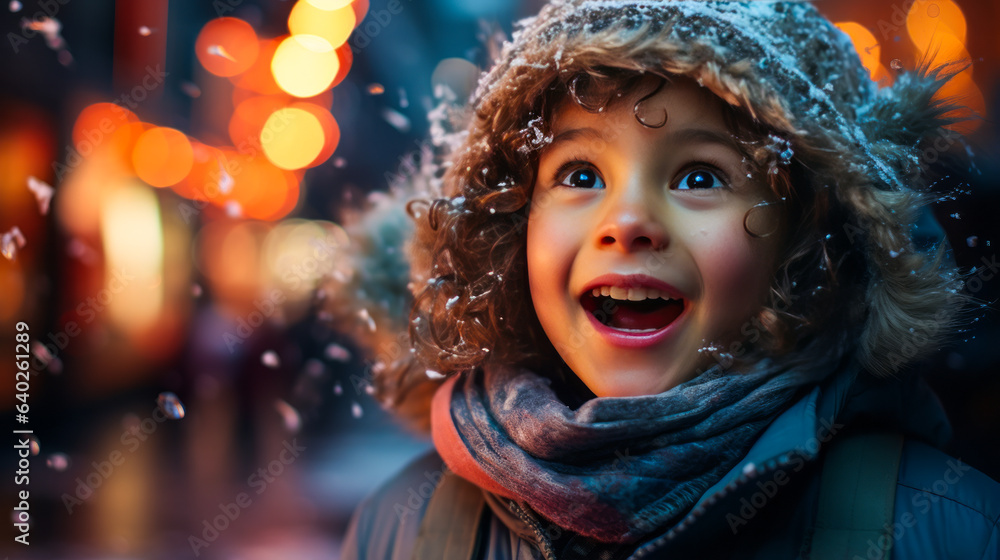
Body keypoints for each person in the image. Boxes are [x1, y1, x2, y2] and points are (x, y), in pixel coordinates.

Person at [336, 1, 1000, 558]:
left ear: (808, 242)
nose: (627, 224)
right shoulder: (405, 527)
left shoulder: (945, 527)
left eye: (700, 177)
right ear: (512, 231)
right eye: (580, 175)